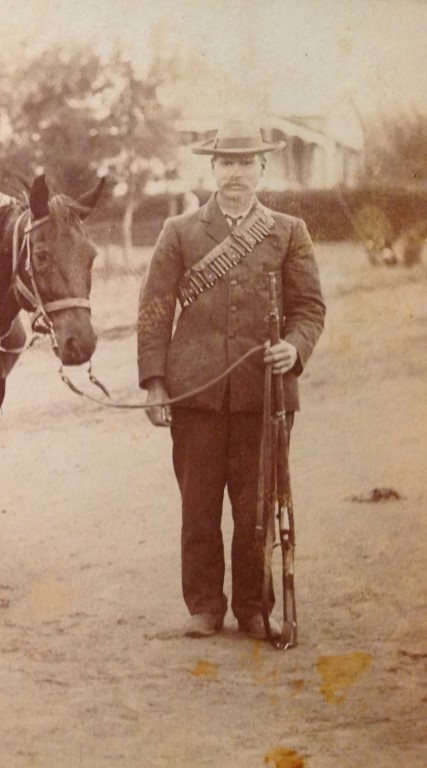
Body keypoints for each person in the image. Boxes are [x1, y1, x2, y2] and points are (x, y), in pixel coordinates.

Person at [137, 120, 326, 640]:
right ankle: (203, 605)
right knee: (198, 508)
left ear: (263, 168)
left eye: (247, 163)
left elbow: (310, 307)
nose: (237, 172)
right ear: (213, 168)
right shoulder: (180, 232)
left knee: (256, 510)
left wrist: (296, 346)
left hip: (262, 396)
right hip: (196, 395)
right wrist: (155, 381)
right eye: (227, 163)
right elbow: (155, 310)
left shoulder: (289, 231)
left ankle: (251, 606)